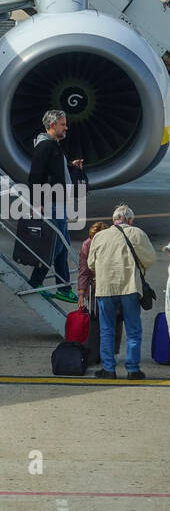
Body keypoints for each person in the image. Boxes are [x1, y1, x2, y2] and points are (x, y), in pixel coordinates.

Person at [88, 204, 156, 379]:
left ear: (113, 220)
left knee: (107, 329)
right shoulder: (138, 233)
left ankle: (108, 369)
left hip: (105, 288)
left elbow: (90, 263)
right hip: (129, 286)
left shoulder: (100, 236)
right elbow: (150, 258)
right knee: (133, 330)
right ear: (130, 220)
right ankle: (133, 369)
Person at [26, 109, 86, 303]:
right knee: (56, 244)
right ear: (52, 126)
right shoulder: (46, 146)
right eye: (62, 124)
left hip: (58, 202)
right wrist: (37, 203)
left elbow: (52, 170)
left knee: (63, 243)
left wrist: (69, 166)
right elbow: (35, 175)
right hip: (51, 203)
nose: (66, 127)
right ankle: (36, 282)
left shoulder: (53, 146)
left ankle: (63, 286)